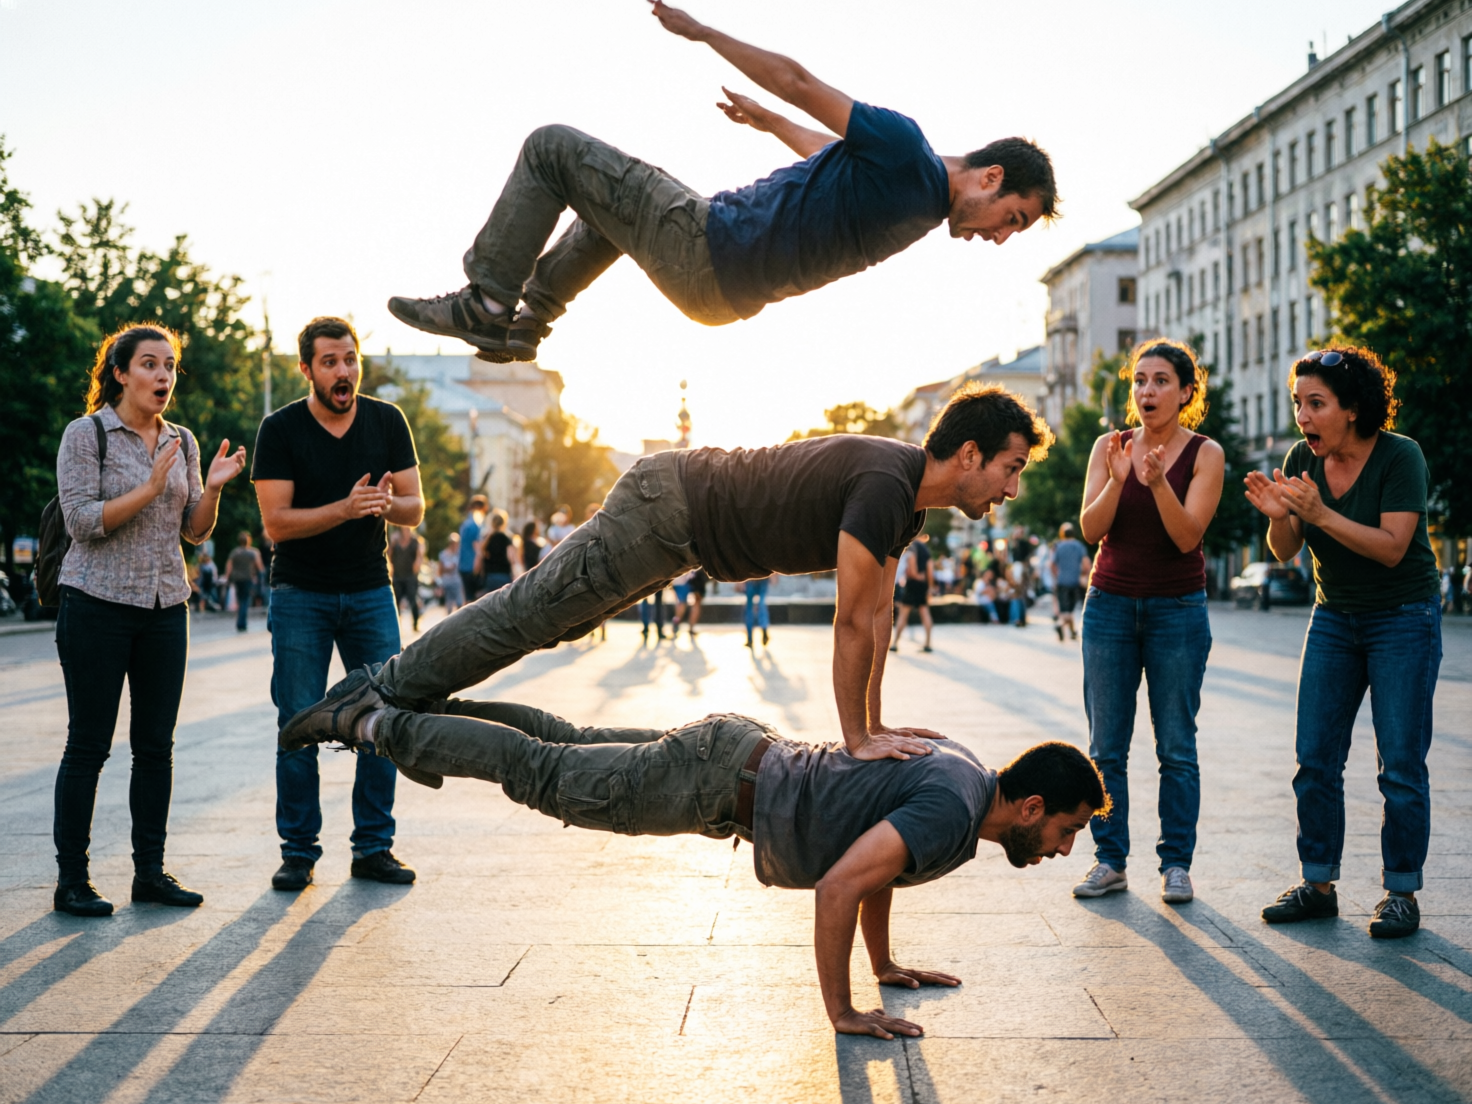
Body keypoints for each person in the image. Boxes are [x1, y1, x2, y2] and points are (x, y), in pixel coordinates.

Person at [282, 383, 1052, 766]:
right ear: (972, 454)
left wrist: (875, 729)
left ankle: (394, 692)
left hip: (684, 529)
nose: (1013, 489)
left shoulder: (905, 505)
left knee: (557, 621)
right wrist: (856, 740)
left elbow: (879, 621)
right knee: (534, 611)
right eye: (1011, 469)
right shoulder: (888, 483)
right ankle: (380, 689)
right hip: (670, 505)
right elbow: (852, 622)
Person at [282, 694, 1108, 1039]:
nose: (1065, 851)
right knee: (545, 774)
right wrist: (844, 1012)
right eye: (1068, 831)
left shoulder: (964, 774)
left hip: (740, 753)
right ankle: (374, 725)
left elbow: (878, 860)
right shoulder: (954, 811)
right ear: (1031, 807)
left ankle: (427, 713)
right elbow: (840, 884)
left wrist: (885, 963)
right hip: (720, 782)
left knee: (564, 745)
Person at [386, 1, 1058, 364]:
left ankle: (488, 302)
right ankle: (526, 324)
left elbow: (798, 81)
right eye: (1013, 219)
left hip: (710, 243)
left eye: (1014, 226)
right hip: (720, 293)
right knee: (605, 210)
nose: (1001, 237)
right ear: (990, 178)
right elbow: (830, 147)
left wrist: (705, 32)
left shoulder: (908, 153)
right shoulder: (911, 199)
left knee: (552, 149)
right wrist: (771, 126)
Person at [1245, 346, 1443, 939]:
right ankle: (1318, 883)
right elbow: (1284, 550)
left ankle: (1401, 892)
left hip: (1403, 616)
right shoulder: (1303, 458)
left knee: (1401, 764)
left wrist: (1320, 516)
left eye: (1316, 404)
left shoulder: (1400, 456)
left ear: (1352, 409)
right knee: (1315, 758)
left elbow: (1390, 547)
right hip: (1334, 617)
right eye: (1298, 404)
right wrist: (1282, 515)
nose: (1303, 417)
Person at [51, 323, 249, 917]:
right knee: (88, 745)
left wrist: (209, 490)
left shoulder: (183, 440)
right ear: (120, 373)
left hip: (166, 606)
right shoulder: (87, 436)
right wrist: (152, 485)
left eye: (169, 366)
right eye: (149, 365)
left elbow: (193, 529)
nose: (163, 376)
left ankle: (150, 872)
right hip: (96, 605)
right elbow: (82, 521)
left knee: (155, 748)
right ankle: (72, 880)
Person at [252, 316, 424, 893]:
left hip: (371, 588)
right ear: (306, 369)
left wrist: (382, 505)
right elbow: (276, 523)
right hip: (301, 592)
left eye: (350, 358)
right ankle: (298, 852)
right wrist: (344, 509)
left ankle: (373, 847)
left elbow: (415, 506)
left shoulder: (386, 420)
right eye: (330, 362)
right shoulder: (279, 429)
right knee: (297, 719)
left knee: (386, 713)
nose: (343, 371)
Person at [1073, 340, 1224, 906]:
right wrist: (1119, 477)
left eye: (1161, 381)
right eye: (1139, 381)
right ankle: (1110, 860)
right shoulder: (1109, 446)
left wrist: (1157, 480)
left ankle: (1176, 864)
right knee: (1106, 747)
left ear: (1186, 392)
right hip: (1109, 605)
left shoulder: (1206, 454)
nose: (1147, 391)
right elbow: (1091, 530)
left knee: (1176, 747)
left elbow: (1187, 536)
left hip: (1177, 610)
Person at [889, 535, 933, 653]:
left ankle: (895, 643)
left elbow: (911, 565)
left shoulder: (912, 547)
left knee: (903, 613)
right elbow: (930, 568)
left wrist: (915, 574)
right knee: (925, 612)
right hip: (923, 585)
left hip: (912, 584)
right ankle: (928, 643)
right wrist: (929, 586)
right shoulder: (925, 549)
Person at [1050, 522, 1089, 642]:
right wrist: (1083, 575)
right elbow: (1086, 565)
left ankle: (1067, 629)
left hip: (1062, 582)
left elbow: (1052, 564)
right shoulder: (1079, 546)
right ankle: (1061, 625)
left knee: (1066, 610)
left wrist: (1056, 576)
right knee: (1069, 610)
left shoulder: (1058, 546)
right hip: (1074, 582)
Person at [226, 531, 264, 633]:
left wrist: (227, 577)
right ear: (249, 541)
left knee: (240, 600)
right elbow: (260, 567)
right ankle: (242, 623)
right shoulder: (253, 552)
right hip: (248, 579)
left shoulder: (235, 552)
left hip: (237, 579)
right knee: (245, 600)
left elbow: (229, 566)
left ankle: (239, 622)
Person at [390, 525, 425, 632]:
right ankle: (397, 625)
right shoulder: (395, 540)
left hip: (410, 576)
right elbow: (389, 554)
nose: (406, 530)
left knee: (413, 600)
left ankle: (415, 623)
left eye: (408, 528)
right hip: (398, 575)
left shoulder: (416, 541)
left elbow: (419, 556)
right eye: (404, 528)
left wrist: (417, 565)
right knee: (395, 601)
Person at [476, 509, 514, 593]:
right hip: (504, 574)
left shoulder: (486, 537)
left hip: (490, 575)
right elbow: (511, 557)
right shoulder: (507, 538)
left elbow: (481, 553)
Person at [458, 495, 487, 603]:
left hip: (463, 566)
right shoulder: (476, 525)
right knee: (474, 602)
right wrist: (478, 569)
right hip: (472, 567)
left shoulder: (465, 524)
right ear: (481, 508)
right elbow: (477, 549)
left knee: (467, 599)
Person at [437, 534, 465, 613]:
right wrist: (440, 584)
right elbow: (440, 569)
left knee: (459, 602)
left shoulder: (459, 554)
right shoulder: (443, 554)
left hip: (457, 581)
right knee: (449, 603)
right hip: (447, 582)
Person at [743, 575, 772, 648]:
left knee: (749, 608)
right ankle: (764, 631)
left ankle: (750, 639)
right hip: (763, 575)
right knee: (761, 605)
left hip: (750, 576)